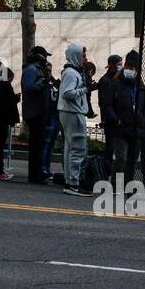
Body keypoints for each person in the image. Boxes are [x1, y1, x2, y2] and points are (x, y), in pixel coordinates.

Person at [103, 50, 145, 182]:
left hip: (136, 128)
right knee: (121, 157)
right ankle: (115, 182)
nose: (130, 69)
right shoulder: (116, 83)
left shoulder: (140, 86)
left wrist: (142, 120)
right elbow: (108, 104)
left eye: (133, 67)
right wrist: (115, 119)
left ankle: (127, 183)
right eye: (128, 66)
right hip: (121, 126)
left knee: (132, 159)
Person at [57, 44, 93, 195]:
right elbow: (68, 93)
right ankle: (74, 184)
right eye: (83, 56)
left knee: (70, 148)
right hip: (73, 113)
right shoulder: (72, 73)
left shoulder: (72, 71)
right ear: (76, 56)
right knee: (77, 149)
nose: (85, 59)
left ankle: (70, 182)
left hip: (70, 112)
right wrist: (85, 89)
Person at [20, 46, 53, 184]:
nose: (46, 59)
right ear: (38, 57)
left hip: (40, 112)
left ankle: (38, 173)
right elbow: (29, 88)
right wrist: (44, 82)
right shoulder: (31, 70)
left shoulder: (39, 70)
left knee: (39, 146)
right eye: (44, 56)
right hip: (34, 113)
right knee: (35, 146)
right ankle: (34, 175)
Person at [96, 54, 122, 168]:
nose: (121, 67)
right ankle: (107, 169)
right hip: (110, 119)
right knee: (110, 146)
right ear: (112, 66)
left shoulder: (118, 79)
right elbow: (104, 102)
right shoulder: (105, 81)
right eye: (119, 65)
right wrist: (108, 117)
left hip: (118, 117)